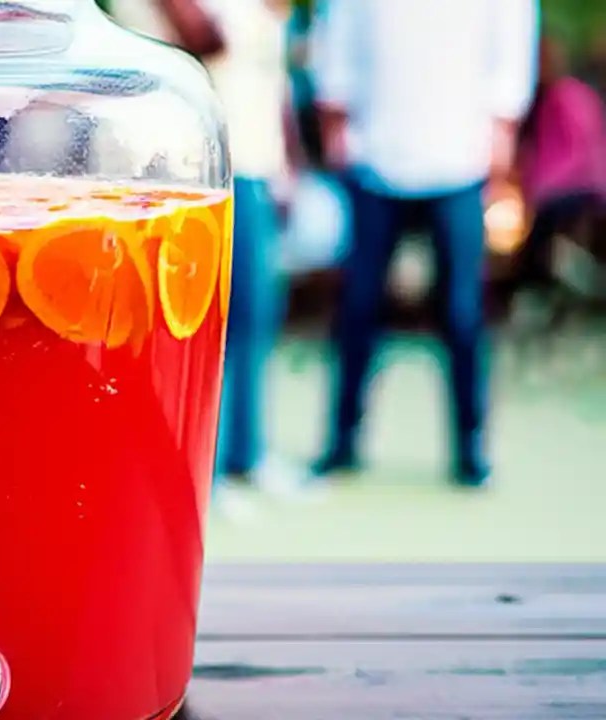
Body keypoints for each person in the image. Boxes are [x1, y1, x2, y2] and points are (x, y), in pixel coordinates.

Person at [310, 0, 538, 487]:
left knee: (462, 313)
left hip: (459, 161)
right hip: (375, 158)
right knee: (358, 307)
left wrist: (502, 130)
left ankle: (471, 449)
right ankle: (343, 442)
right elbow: (338, 43)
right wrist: (336, 124)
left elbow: (512, 47)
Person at [113, 0, 301, 507]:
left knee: (254, 317)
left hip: (255, 165)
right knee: (196, 323)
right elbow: (206, 40)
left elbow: (271, 75)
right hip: (185, 167)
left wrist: (290, 164)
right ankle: (198, 471)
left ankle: (246, 454)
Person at [506, 33, 606, 305]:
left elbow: (579, 153)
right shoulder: (551, 98)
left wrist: (539, 188)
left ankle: (534, 288)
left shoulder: (567, 96)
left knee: (538, 232)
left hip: (580, 187)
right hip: (571, 187)